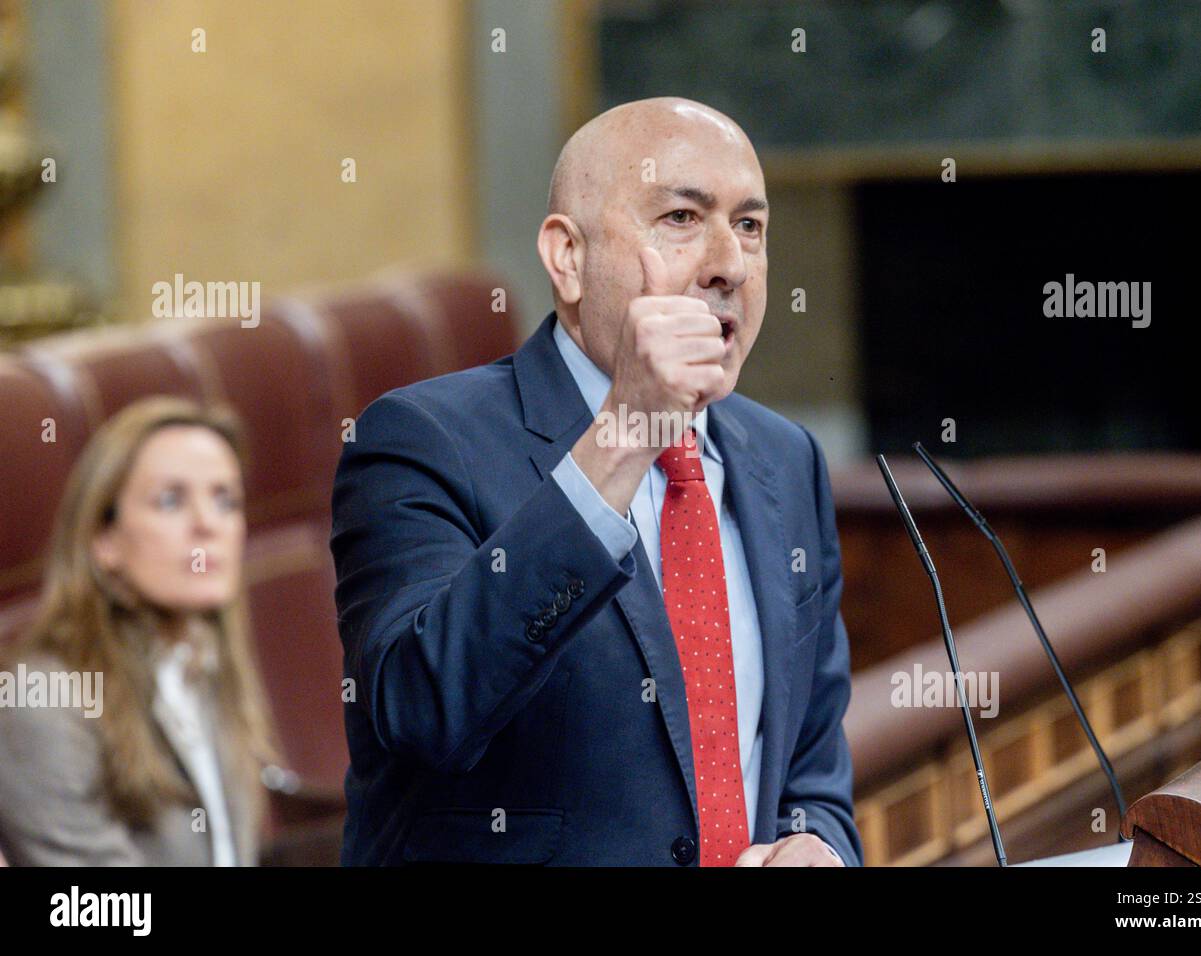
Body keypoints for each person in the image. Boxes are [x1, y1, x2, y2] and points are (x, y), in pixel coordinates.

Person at [331, 96, 863, 866]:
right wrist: (625, 438)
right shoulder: (423, 440)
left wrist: (816, 843)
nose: (729, 265)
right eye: (682, 217)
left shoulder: (786, 459)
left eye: (750, 226)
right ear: (568, 258)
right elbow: (425, 708)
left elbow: (811, 756)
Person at [0, 396, 280, 865]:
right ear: (103, 539)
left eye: (225, 500)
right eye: (171, 500)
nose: (208, 524)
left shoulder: (203, 660)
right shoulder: (38, 698)